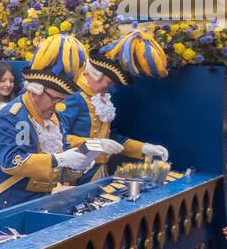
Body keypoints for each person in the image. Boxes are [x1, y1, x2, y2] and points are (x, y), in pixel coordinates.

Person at [0, 33, 94, 210]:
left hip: (41, 202)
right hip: (10, 205)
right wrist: (58, 159)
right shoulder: (13, 116)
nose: (59, 106)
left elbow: (58, 161)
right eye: (55, 99)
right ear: (35, 91)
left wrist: (76, 166)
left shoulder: (55, 117)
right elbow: (12, 162)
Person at [60, 30, 170, 183]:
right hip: (74, 174)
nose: (108, 87)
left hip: (98, 174)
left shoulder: (100, 99)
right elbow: (58, 138)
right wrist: (95, 145)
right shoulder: (74, 96)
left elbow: (111, 138)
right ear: (93, 73)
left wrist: (142, 148)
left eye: (111, 83)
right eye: (108, 81)